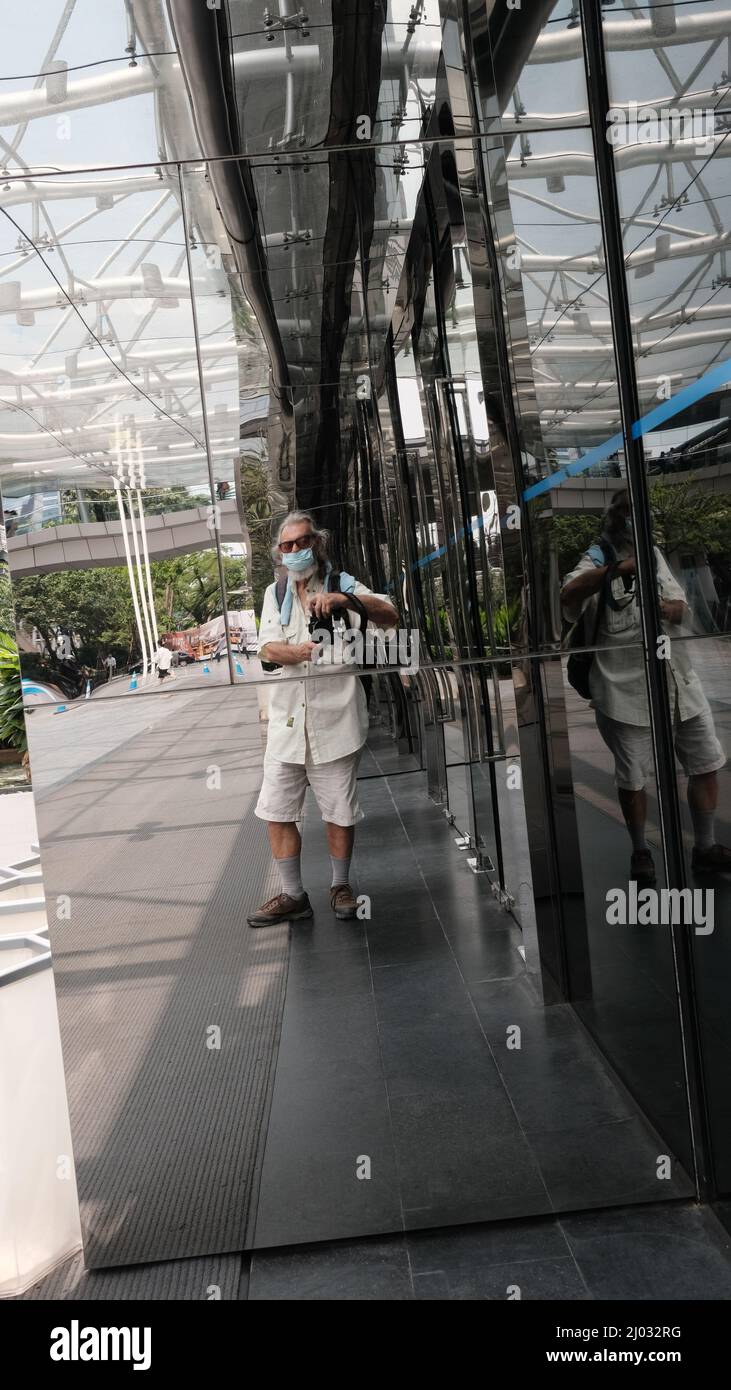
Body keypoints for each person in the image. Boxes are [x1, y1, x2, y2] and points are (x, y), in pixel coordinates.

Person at [561, 488, 730, 886]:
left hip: (678, 683)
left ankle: (704, 848)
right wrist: (616, 571)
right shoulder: (596, 558)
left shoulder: (654, 555)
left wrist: (669, 608)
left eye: (636, 512)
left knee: (706, 763)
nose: (629, 519)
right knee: (632, 778)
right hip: (624, 691)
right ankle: (641, 850)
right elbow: (568, 595)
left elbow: (681, 607)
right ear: (610, 517)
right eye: (622, 511)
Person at [247, 510, 398, 927]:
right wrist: (290, 652)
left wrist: (344, 602)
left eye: (302, 542)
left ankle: (340, 885)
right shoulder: (273, 594)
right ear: (279, 552)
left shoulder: (342, 584)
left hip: (336, 720)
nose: (294, 550)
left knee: (339, 810)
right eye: (287, 545)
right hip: (287, 724)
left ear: (318, 542)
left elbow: (391, 616)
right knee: (276, 810)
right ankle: (294, 895)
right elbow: (264, 649)